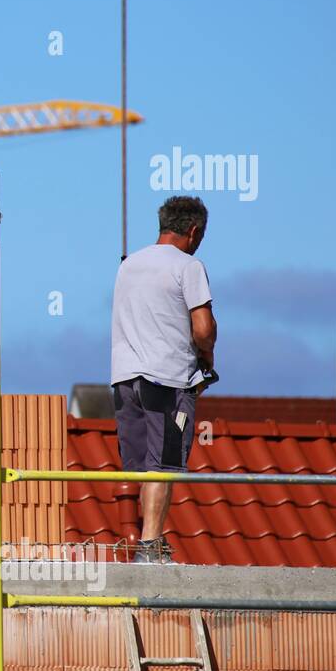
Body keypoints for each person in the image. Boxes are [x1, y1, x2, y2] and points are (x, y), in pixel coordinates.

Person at [110, 195, 216, 563]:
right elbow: (202, 328)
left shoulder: (128, 266)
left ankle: (145, 541)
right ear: (193, 230)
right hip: (168, 379)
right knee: (164, 464)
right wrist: (208, 355)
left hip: (124, 379)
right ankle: (150, 546)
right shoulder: (188, 266)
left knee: (140, 465)